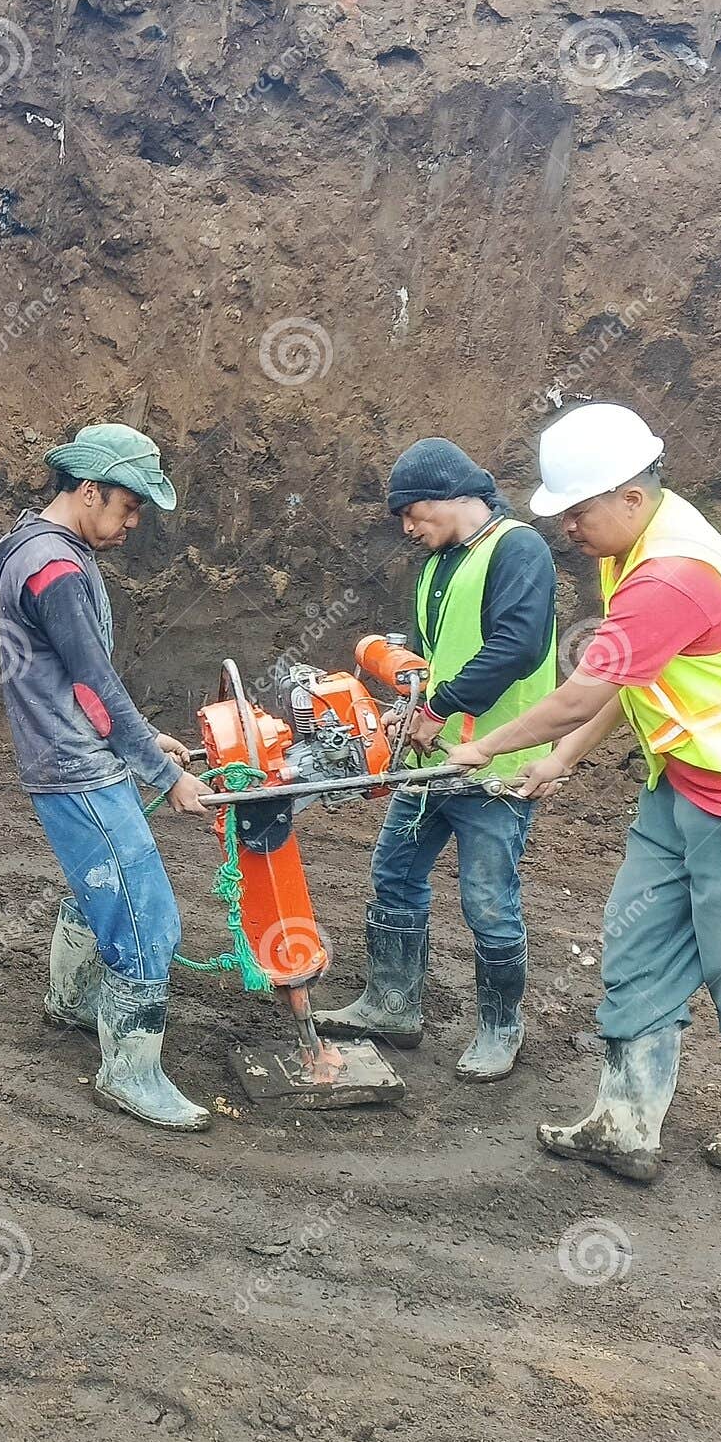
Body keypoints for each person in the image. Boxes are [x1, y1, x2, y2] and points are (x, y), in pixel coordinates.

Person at [449, 403, 721, 1176]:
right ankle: (625, 1120)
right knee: (636, 939)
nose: (566, 527)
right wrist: (562, 759)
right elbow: (630, 681)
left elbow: (581, 690)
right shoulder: (633, 549)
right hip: (686, 782)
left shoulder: (672, 574)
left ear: (630, 499)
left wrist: (486, 748)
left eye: (576, 510)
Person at [0, 423, 215, 1132]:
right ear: (88, 489)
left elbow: (77, 680)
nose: (132, 521)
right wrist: (157, 769)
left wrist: (144, 739)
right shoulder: (54, 569)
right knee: (148, 918)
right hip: (76, 768)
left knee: (101, 885)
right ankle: (129, 1074)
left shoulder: (36, 547)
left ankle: (72, 1001)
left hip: (70, 757)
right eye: (127, 506)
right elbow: (91, 685)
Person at [316, 437, 557, 1080]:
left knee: (488, 901)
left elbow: (517, 649)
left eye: (412, 511)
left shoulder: (518, 550)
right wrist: (409, 706)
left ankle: (500, 1028)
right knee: (394, 874)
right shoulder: (435, 568)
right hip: (431, 763)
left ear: (452, 496)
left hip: (495, 769)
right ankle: (393, 1003)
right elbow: (425, 664)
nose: (407, 526)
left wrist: (436, 708)